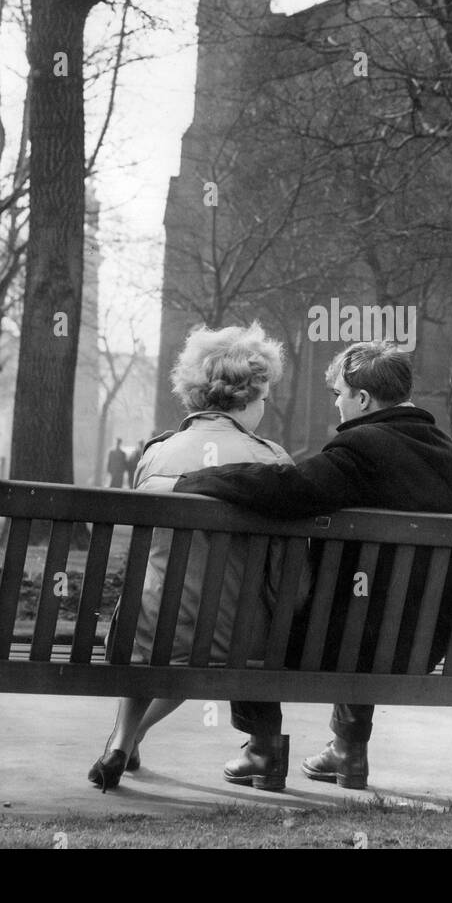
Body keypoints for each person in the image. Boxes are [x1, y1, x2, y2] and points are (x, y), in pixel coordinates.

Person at [142, 340, 452, 792]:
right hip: (428, 642)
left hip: (354, 641)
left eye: (339, 393)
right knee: (371, 604)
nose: (336, 403)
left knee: (259, 616)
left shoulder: (362, 448)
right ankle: (348, 750)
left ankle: (262, 749)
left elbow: (287, 489)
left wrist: (192, 481)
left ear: (362, 399)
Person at [87, 322, 297, 792]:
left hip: (148, 626)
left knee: (163, 620)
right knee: (205, 629)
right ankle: (130, 737)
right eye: (265, 397)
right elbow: (284, 573)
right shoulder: (273, 461)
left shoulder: (157, 455)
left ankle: (122, 739)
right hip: (233, 639)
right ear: (251, 393)